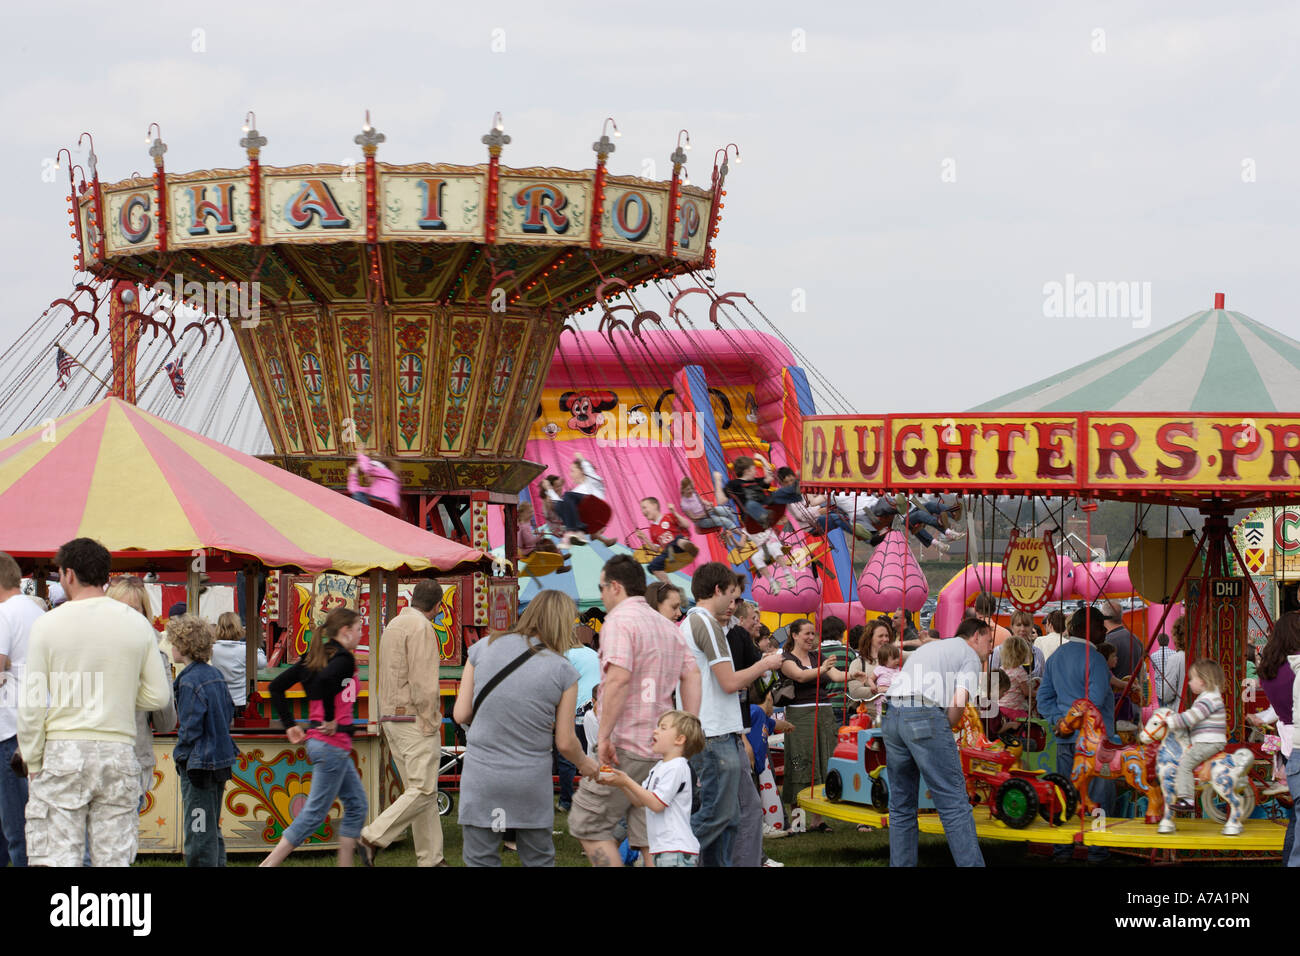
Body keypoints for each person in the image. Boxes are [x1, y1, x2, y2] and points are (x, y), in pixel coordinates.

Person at [16, 539, 171, 867]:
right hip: (118, 751)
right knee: (113, 858)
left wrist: (32, 758)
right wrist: (117, 693)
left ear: (69, 574)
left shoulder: (48, 624)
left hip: (62, 751)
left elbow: (31, 705)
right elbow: (158, 696)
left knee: (57, 857)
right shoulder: (137, 625)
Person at [568, 555, 702, 867]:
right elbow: (691, 674)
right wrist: (687, 728)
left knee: (587, 823)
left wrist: (602, 737)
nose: (601, 595)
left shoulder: (619, 621)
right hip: (660, 748)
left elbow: (617, 679)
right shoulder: (665, 624)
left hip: (625, 745)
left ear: (615, 586)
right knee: (646, 839)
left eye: (602, 588)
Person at [453, 590, 598, 866]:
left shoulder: (483, 647)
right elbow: (565, 742)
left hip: (482, 775)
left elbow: (461, 713)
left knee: (480, 860)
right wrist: (587, 765)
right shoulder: (563, 670)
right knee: (538, 860)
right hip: (529, 781)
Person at [681, 564, 784, 866]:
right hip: (713, 733)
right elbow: (729, 682)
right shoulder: (706, 624)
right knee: (718, 815)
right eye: (733, 596)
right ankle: (670, 856)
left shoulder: (696, 623)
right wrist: (767, 665)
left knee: (729, 817)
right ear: (717, 590)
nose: (735, 604)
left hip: (717, 730)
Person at [263, 608, 368, 867]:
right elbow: (323, 684)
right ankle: (267, 865)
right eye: (359, 628)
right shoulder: (344, 660)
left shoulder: (317, 655)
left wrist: (290, 725)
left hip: (330, 745)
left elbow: (277, 687)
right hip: (331, 745)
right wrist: (330, 717)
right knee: (314, 814)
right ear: (345, 632)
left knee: (356, 805)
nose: (361, 633)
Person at [883, 617, 992, 867]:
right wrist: (946, 728)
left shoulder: (933, 647)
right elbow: (957, 705)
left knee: (901, 805)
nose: (991, 647)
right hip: (922, 713)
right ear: (976, 635)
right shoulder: (970, 657)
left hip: (891, 714)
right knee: (953, 802)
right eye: (989, 640)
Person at [359, 580, 448, 866]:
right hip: (413, 716)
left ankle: (432, 858)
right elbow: (424, 682)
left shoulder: (395, 624)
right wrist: (431, 717)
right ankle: (372, 836)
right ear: (437, 606)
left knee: (422, 791)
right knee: (423, 790)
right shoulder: (422, 628)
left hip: (391, 715)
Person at [1036, 605, 1117, 862]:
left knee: (1067, 794)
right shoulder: (1096, 660)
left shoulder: (1057, 657)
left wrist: (1059, 721)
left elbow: (1043, 698)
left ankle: (1063, 849)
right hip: (1096, 744)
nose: (1104, 630)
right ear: (1083, 628)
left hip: (1065, 741)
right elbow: (1093, 702)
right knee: (1099, 796)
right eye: (1099, 626)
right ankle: (1097, 850)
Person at [169, 615, 238, 867]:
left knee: (198, 830)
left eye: (174, 642)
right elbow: (229, 712)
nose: (171, 646)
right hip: (220, 762)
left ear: (184, 645)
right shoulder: (216, 675)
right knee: (211, 827)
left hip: (198, 766)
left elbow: (189, 728)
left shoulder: (188, 681)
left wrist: (180, 756)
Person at [598, 711, 706, 867]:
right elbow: (639, 801)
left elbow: (656, 804)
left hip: (676, 851)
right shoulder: (660, 766)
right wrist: (620, 783)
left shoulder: (677, 767)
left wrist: (627, 781)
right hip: (663, 849)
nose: (655, 731)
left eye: (663, 728)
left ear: (680, 739)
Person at [105, 576, 176, 810]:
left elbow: (166, 723)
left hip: (124, 763)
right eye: (119, 608)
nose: (125, 615)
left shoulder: (156, 656)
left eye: (132, 609)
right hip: (107, 762)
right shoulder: (89, 649)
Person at [778, 619, 850, 831]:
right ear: (794, 635)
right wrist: (822, 668)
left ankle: (819, 819)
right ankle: (798, 820)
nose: (811, 637)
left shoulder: (817, 657)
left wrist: (855, 675)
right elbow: (800, 676)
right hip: (800, 716)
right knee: (801, 763)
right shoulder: (786, 659)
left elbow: (835, 675)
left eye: (813, 634)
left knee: (823, 762)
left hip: (824, 713)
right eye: (807, 633)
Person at [0, 551, 43, 867]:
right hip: (31, 726)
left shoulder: (4, 614)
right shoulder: (36, 611)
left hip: (9, 730)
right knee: (25, 828)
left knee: (15, 831)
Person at [1249, 612, 1299, 861]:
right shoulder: (1295, 669)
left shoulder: (1270, 672)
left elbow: (1278, 711)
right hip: (1296, 740)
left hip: (1288, 745)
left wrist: (1262, 718)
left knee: (1297, 817)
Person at [1164, 659, 1226, 814]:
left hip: (1208, 742)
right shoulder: (1210, 696)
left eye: (1192, 679)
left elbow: (1192, 717)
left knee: (1185, 764)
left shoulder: (1208, 699)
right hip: (1207, 740)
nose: (1190, 683)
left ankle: (1187, 799)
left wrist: (1170, 721)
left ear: (1203, 681)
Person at [558, 617, 602, 813]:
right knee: (593, 754)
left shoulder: (566, 655)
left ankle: (567, 800)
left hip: (576, 709)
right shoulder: (591, 653)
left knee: (567, 758)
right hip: (597, 706)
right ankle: (595, 798)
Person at [720, 455, 802, 529]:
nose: (756, 472)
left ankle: (797, 490)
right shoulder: (734, 484)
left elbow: (769, 477)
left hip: (764, 508)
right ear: (747, 471)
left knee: (776, 494)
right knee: (751, 504)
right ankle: (764, 517)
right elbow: (721, 500)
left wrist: (762, 459)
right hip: (750, 515)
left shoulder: (755, 481)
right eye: (753, 469)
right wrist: (717, 481)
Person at [210, 611, 268, 712]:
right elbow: (262, 663)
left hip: (221, 700)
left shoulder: (212, 650)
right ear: (239, 629)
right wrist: (255, 644)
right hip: (241, 702)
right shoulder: (245, 650)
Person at [554, 456, 617, 546]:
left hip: (597, 511)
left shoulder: (593, 481)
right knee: (559, 504)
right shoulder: (575, 491)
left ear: (582, 471)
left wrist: (582, 460)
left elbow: (590, 472)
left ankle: (574, 531)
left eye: (573, 471)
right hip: (585, 520)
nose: (570, 475)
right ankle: (577, 533)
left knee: (568, 496)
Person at [638, 497, 699, 585]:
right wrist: (644, 538)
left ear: (654, 506)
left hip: (680, 546)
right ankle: (669, 586)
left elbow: (687, 525)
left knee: (677, 540)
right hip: (668, 553)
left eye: (644, 507)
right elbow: (655, 549)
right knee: (652, 566)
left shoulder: (669, 516)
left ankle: (691, 549)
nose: (643, 511)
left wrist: (674, 512)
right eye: (641, 509)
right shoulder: (652, 529)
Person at [990, 610, 1045, 678]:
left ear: (1031, 627)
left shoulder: (1038, 653)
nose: (1022, 629)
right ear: (1012, 627)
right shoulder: (999, 651)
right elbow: (990, 683)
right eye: (1018, 625)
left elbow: (1043, 681)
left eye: (1026, 625)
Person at [819, 616, 853, 725]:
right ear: (840, 634)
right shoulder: (849, 652)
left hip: (822, 704)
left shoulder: (815, 654)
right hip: (844, 703)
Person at [1150, 631, 1185, 709]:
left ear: (1158, 642)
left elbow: (1154, 668)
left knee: (1162, 713)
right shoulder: (1175, 653)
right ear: (1169, 641)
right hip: (1173, 688)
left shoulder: (1153, 656)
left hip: (1160, 689)